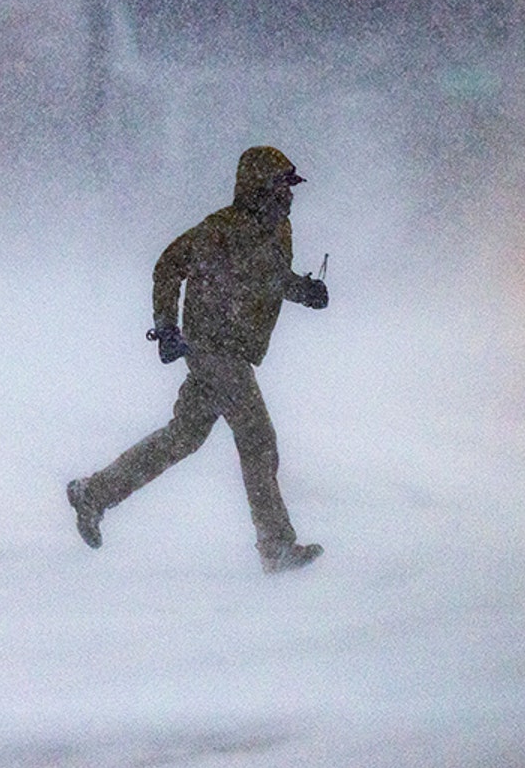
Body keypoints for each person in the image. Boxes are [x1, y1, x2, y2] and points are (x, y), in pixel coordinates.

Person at [67, 145, 329, 573]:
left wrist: (305, 291)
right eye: (282, 186)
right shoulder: (219, 229)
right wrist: (166, 326)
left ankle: (93, 494)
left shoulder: (279, 231)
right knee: (257, 438)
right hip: (213, 348)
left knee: (183, 437)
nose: (289, 195)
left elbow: (272, 279)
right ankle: (276, 547)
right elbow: (168, 265)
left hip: (233, 349)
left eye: (291, 187)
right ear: (259, 189)